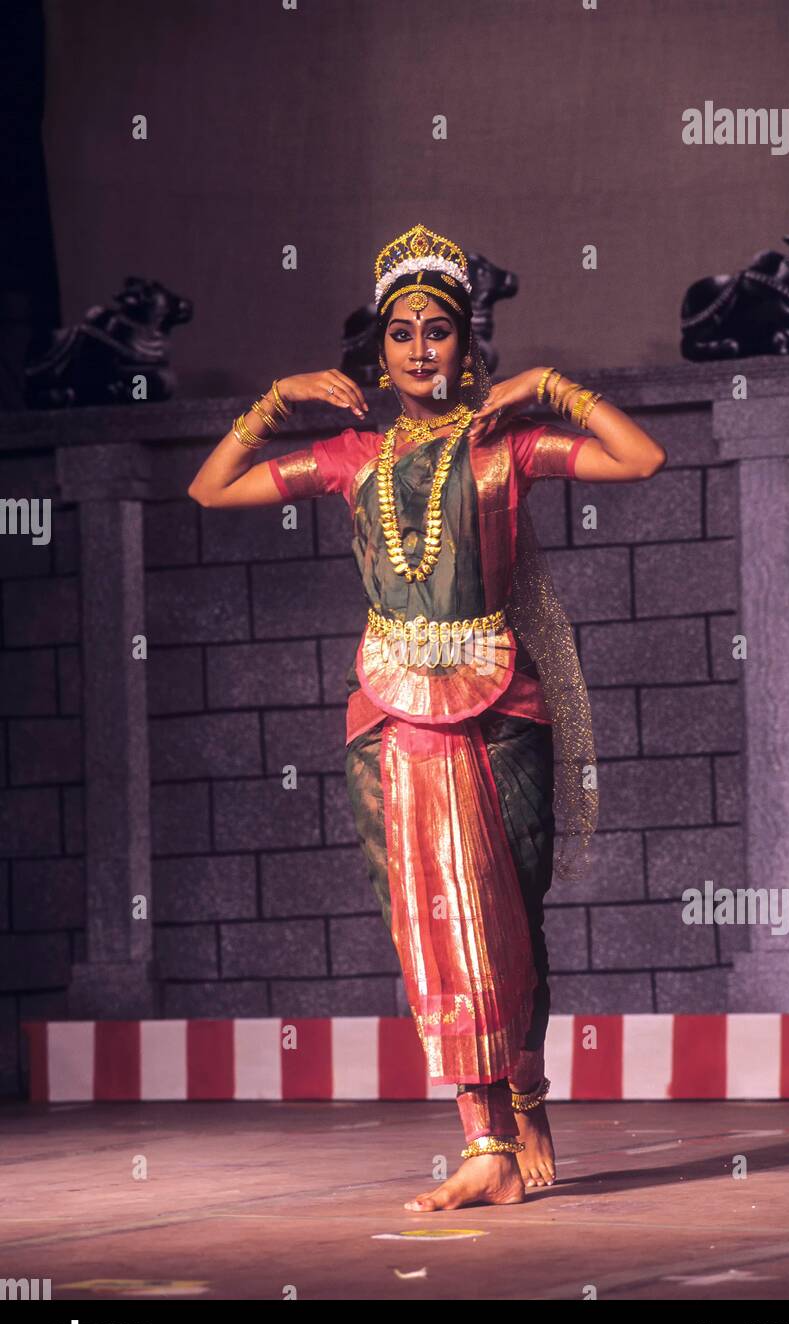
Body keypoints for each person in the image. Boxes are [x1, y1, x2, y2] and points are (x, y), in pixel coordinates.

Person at [188, 223, 666, 1212]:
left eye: (437, 330)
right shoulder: (350, 455)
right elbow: (210, 485)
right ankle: (481, 1138)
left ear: (465, 342)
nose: (417, 349)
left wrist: (553, 387)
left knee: (508, 921)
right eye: (400, 331)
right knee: (425, 922)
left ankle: (524, 1090)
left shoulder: (505, 445)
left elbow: (642, 457)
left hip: (502, 699)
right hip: (387, 709)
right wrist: (272, 402)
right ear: (378, 347)